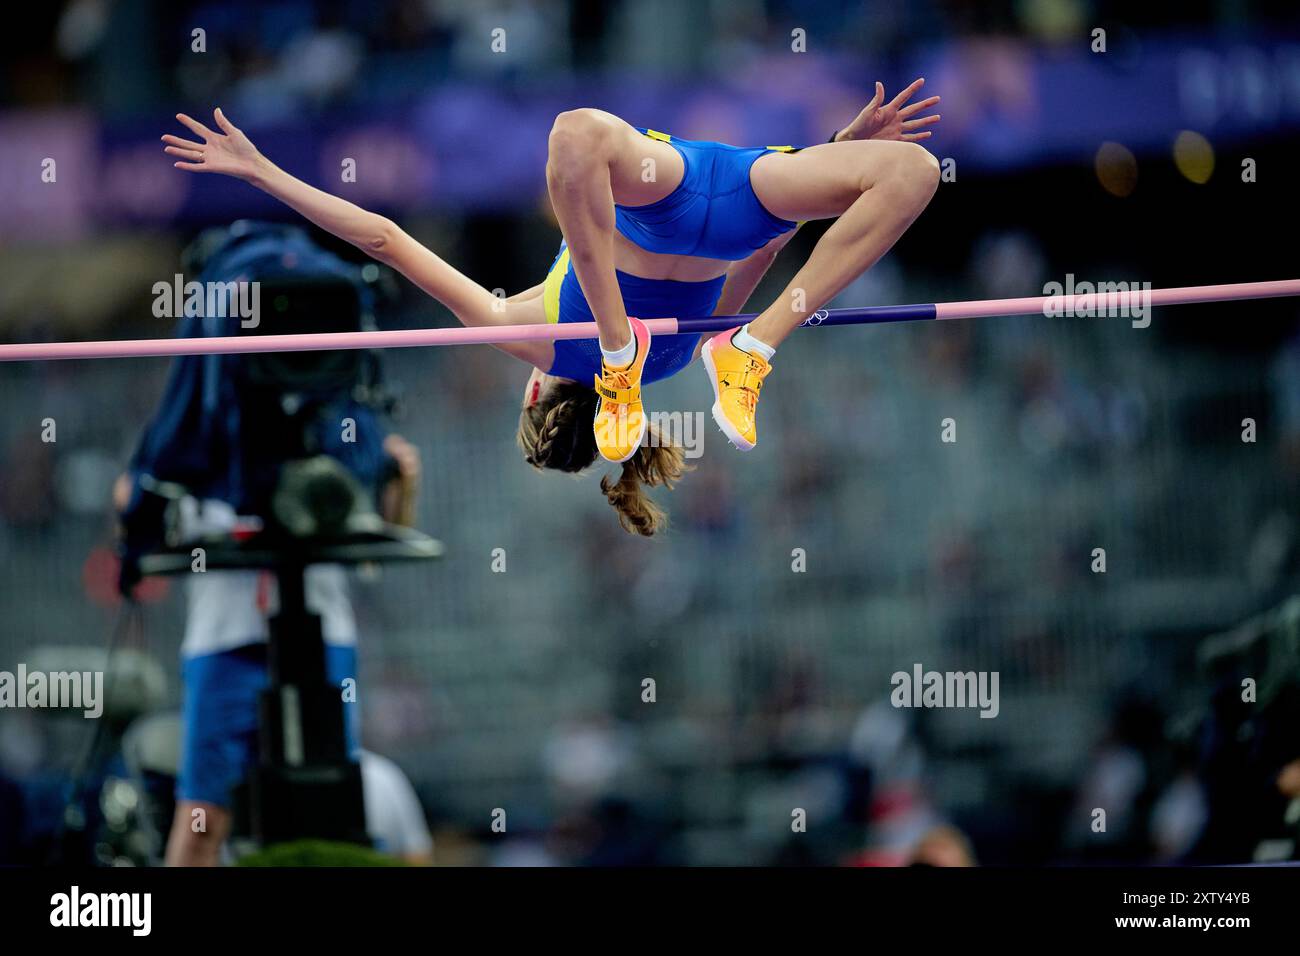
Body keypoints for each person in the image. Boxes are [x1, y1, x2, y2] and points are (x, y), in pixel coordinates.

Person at [161, 79, 940, 534]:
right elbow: (387, 240)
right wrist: (266, 175)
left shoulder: (673, 354)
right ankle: (742, 348)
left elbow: (765, 252)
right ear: (535, 393)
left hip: (728, 200)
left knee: (911, 172)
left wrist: (837, 158)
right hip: (714, 189)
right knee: (573, 136)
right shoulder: (528, 338)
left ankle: (738, 343)